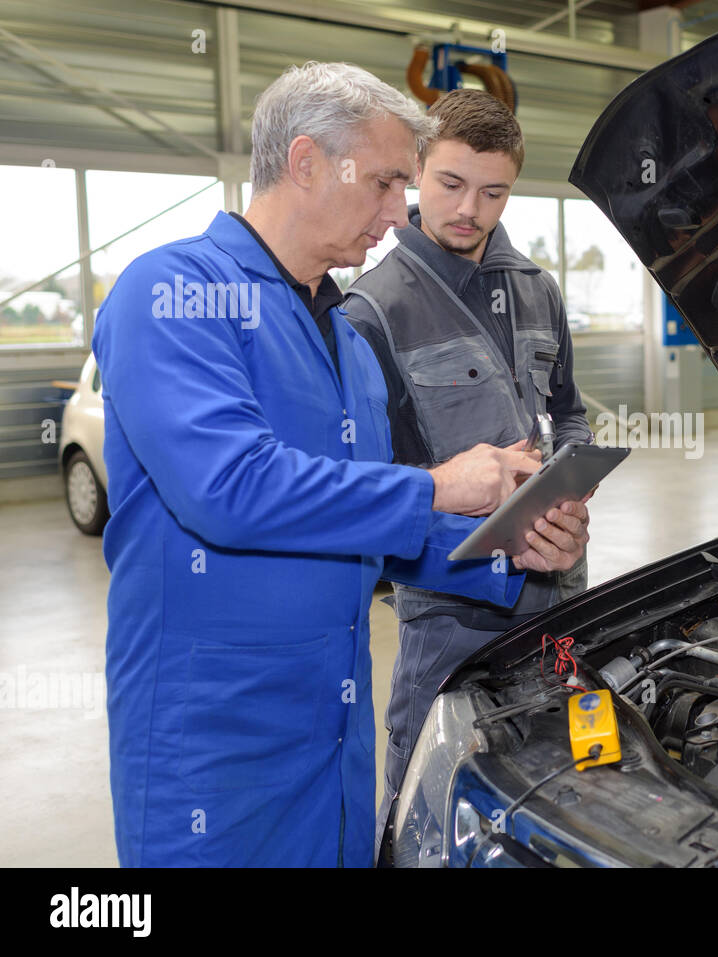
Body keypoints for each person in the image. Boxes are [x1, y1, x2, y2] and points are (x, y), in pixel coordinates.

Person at [91, 62, 587, 867]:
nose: (400, 215)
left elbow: (368, 526)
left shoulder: (346, 346)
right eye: (390, 183)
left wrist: (514, 547)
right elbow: (231, 487)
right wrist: (437, 483)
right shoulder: (173, 292)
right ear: (307, 162)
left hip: (337, 733)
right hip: (217, 745)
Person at [342, 89, 594, 851]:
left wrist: (568, 497)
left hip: (561, 599)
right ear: (416, 169)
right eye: (450, 184)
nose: (470, 209)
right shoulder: (370, 313)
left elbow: (570, 414)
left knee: (562, 797)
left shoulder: (538, 291)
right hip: (450, 624)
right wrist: (485, 538)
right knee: (425, 816)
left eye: (494, 191)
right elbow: (372, 493)